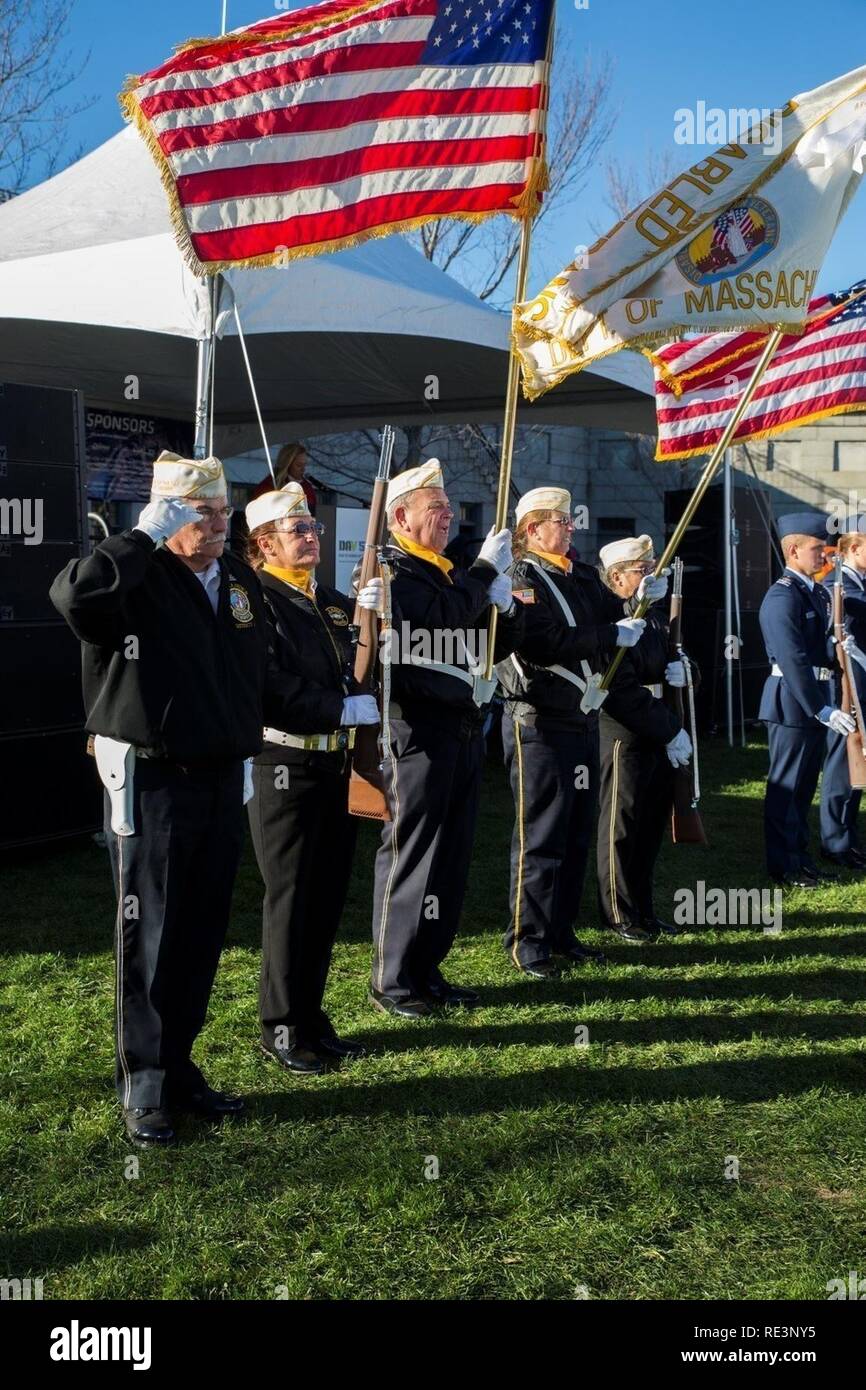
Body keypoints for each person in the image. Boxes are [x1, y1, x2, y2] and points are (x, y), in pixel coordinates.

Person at [49, 451, 268, 1146]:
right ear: (167, 515)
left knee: (201, 931)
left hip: (220, 772)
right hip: (155, 778)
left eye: (222, 514)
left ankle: (179, 1067)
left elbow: (252, 664)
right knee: (152, 934)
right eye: (199, 515)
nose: (215, 527)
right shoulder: (134, 575)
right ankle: (143, 1083)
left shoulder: (233, 578)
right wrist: (137, 539)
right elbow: (75, 597)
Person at [369, 459, 522, 1017]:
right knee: (412, 853)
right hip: (416, 731)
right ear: (401, 517)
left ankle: (427, 966)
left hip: (458, 727)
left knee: (450, 857)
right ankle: (392, 977)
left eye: (448, 506)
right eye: (436, 507)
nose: (448, 515)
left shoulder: (443, 572)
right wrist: (482, 573)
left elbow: (492, 644)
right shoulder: (395, 572)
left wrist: (504, 602)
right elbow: (438, 621)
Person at [245, 483, 380, 1074]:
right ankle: (279, 1025)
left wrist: (372, 622)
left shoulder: (326, 601)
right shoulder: (257, 600)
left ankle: (311, 1017)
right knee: (291, 899)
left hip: (333, 763)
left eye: (313, 529)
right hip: (287, 763)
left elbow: (352, 671)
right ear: (263, 543)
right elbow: (266, 685)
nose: (310, 537)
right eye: (297, 531)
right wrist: (334, 709)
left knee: (325, 897)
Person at [495, 487, 656, 978]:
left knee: (576, 831)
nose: (570, 527)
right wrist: (612, 632)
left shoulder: (579, 574)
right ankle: (528, 940)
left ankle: (561, 932)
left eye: (569, 521)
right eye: (560, 521)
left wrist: (638, 601)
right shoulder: (523, 577)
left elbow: (609, 611)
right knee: (540, 833)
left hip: (580, 716)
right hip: (538, 719)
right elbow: (544, 642)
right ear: (532, 529)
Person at [595, 536, 693, 942]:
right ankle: (618, 912)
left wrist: (688, 672)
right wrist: (669, 729)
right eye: (643, 570)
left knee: (650, 826)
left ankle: (644, 909)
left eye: (655, 569)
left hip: (656, 728)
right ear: (618, 577)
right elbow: (618, 687)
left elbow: (677, 656)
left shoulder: (652, 615)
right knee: (621, 825)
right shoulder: (612, 617)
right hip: (625, 732)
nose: (653, 577)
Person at [758, 511, 853, 888]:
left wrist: (833, 647)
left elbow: (813, 649)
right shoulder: (782, 595)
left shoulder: (809, 591)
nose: (825, 556)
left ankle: (800, 857)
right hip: (793, 703)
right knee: (786, 787)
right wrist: (820, 707)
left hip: (811, 700)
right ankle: (783, 865)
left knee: (802, 789)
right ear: (794, 549)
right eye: (818, 549)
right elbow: (792, 658)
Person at [820, 529, 866, 868]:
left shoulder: (858, 584)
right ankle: (834, 841)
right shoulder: (836, 587)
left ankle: (849, 836)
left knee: (858, 766)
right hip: (847, 689)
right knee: (840, 767)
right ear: (852, 548)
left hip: (862, 687)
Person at [250, 442, 317, 514]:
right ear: (287, 464)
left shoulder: (307, 487)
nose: (303, 469)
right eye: (299, 465)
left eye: (305, 465)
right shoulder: (269, 485)